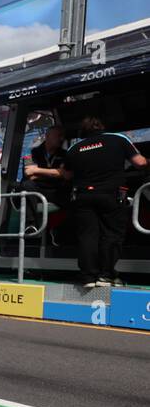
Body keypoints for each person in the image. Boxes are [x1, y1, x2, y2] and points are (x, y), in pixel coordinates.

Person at [60, 116, 146, 289]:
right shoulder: (118, 139)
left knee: (87, 236)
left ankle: (88, 277)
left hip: (82, 196)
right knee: (112, 235)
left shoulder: (74, 147)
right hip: (111, 194)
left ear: (82, 131)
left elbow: (66, 175)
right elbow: (140, 162)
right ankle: (106, 276)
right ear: (102, 127)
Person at [22, 124, 68, 248]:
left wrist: (37, 171)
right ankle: (31, 225)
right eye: (58, 136)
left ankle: (60, 231)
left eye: (62, 136)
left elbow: (65, 174)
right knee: (27, 185)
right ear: (47, 136)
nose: (61, 139)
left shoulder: (65, 154)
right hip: (38, 189)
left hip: (56, 190)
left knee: (72, 191)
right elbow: (28, 174)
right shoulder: (32, 151)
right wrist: (55, 173)